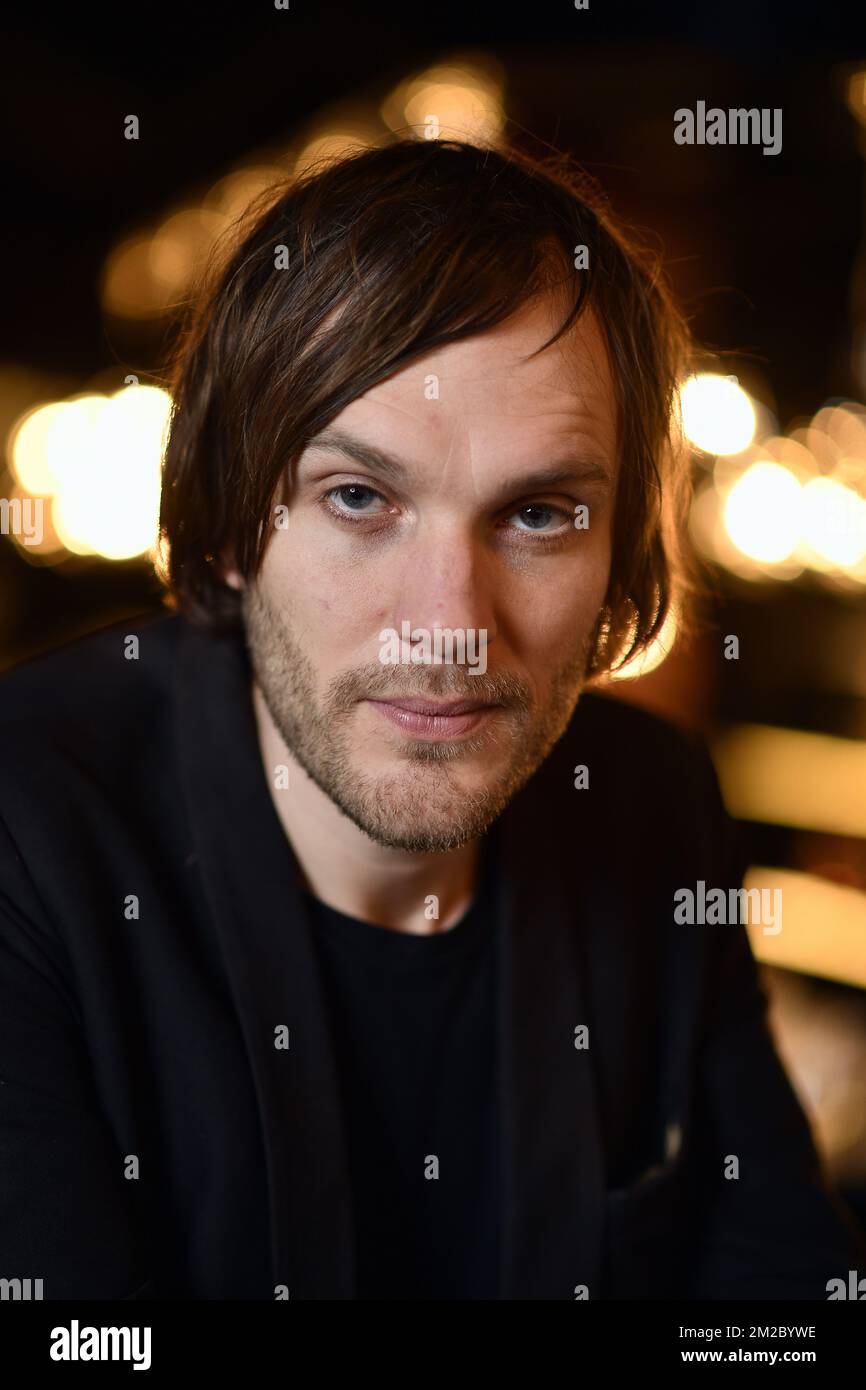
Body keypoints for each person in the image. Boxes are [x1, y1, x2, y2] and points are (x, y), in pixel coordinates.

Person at [0, 138, 862, 1300]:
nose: (449, 623)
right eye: (358, 497)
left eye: (541, 513)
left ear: (620, 560)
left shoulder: (649, 805)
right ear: (226, 526)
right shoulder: (29, 830)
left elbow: (776, 1293)